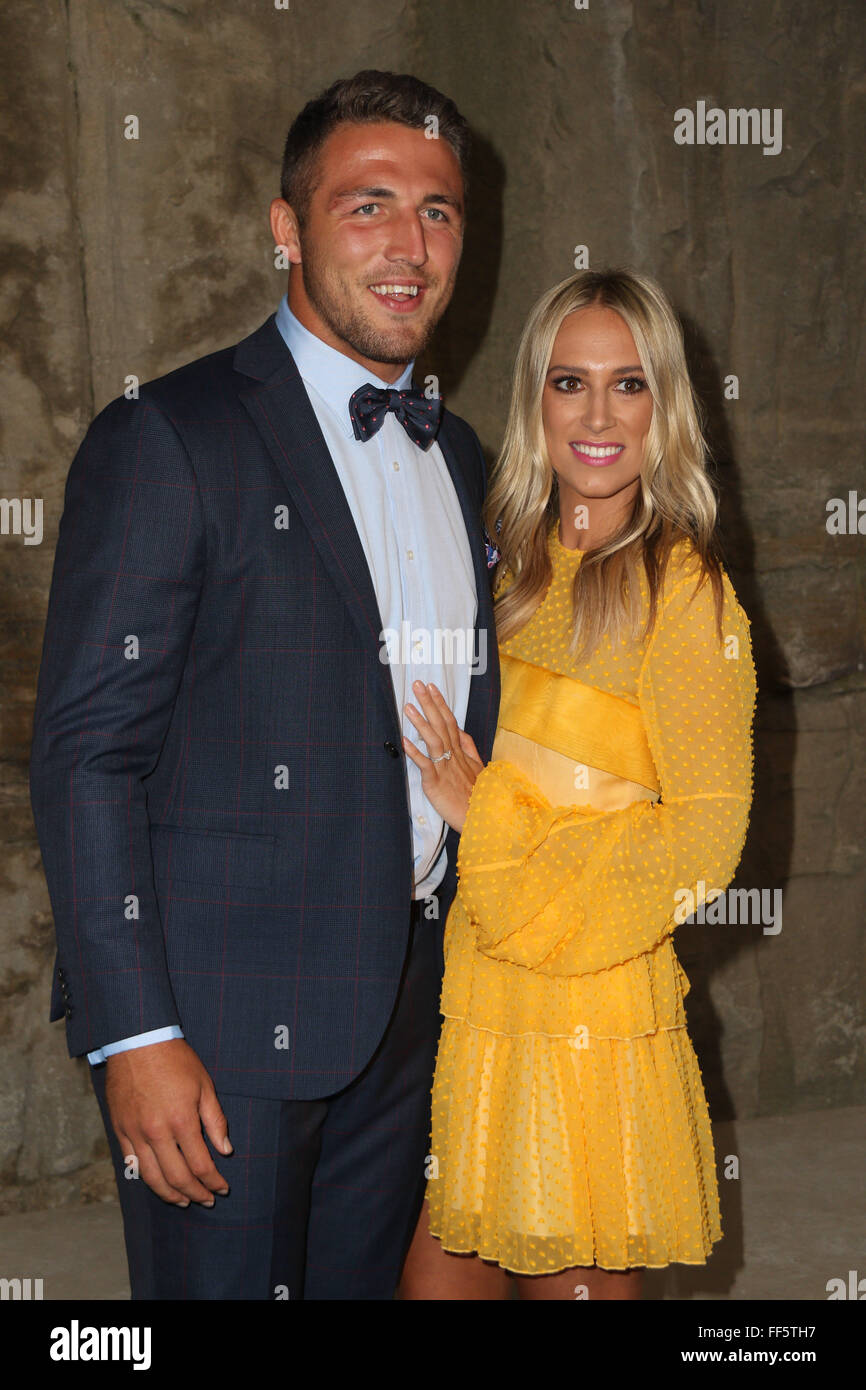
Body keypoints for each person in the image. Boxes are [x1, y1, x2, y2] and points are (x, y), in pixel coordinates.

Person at [29, 69, 500, 1300]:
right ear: (285, 229)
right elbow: (89, 753)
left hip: (410, 1013)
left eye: (440, 211)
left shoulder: (459, 455)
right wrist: (135, 1033)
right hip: (220, 1023)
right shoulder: (169, 436)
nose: (410, 246)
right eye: (369, 205)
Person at [398, 268, 757, 1300]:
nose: (597, 416)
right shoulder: (501, 560)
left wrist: (492, 820)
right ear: (534, 400)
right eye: (568, 383)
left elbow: (702, 845)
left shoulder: (683, 588)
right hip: (483, 987)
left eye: (628, 384)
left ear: (664, 407)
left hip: (592, 1009)